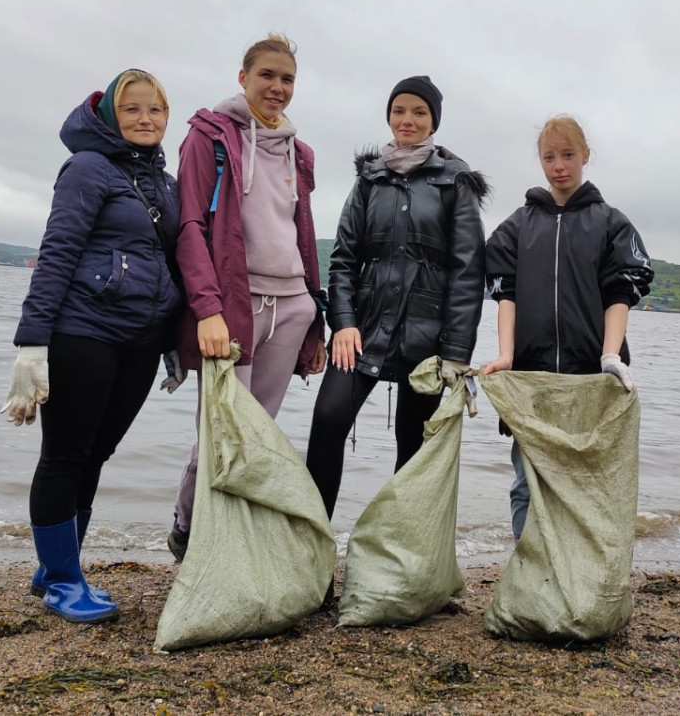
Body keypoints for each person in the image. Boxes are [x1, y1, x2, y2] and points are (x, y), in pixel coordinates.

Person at [0, 68, 184, 623]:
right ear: (110, 116)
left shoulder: (165, 182)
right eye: (132, 110)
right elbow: (56, 253)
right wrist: (32, 343)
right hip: (83, 331)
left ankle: (56, 562)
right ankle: (61, 580)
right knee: (65, 456)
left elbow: (173, 263)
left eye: (155, 110)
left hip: (142, 341)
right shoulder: (87, 168)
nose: (145, 119)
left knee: (97, 453)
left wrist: (174, 340)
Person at [168, 34, 326, 560]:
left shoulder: (299, 153)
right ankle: (190, 532)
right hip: (232, 305)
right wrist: (207, 310)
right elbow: (189, 225)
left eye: (287, 79)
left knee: (258, 434)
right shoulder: (209, 138)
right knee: (221, 432)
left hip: (291, 306)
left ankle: (233, 540)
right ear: (243, 77)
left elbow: (302, 233)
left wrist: (315, 320)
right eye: (267, 76)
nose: (277, 88)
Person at [305, 75, 488, 521]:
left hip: (428, 340)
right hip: (363, 329)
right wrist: (342, 322)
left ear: (433, 122)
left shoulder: (456, 180)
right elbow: (344, 259)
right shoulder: (369, 178)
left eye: (419, 112)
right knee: (328, 420)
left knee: (413, 445)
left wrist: (456, 351)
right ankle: (311, 554)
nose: (408, 119)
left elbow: (468, 271)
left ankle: (397, 567)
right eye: (399, 110)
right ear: (389, 116)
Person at [480, 114, 653, 541]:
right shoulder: (519, 225)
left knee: (584, 482)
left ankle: (579, 576)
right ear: (540, 161)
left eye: (568, 155)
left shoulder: (610, 223)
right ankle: (528, 572)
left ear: (585, 156)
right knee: (527, 480)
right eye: (549, 156)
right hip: (532, 376)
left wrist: (609, 354)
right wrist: (506, 355)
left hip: (589, 376)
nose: (559, 165)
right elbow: (506, 294)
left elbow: (621, 292)